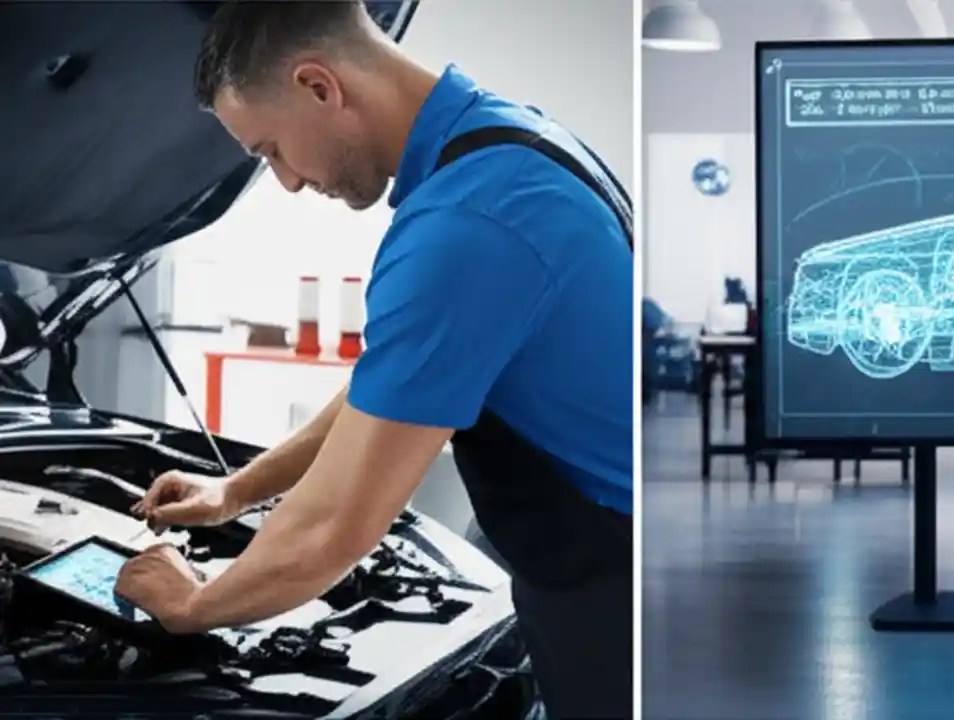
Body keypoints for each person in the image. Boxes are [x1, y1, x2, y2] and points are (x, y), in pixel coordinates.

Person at [112, 2, 633, 717]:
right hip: (593, 567)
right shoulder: (511, 143)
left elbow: (332, 530)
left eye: (269, 150)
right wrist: (235, 492)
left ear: (319, 86)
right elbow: (392, 385)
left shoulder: (469, 223)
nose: (288, 181)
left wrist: (192, 604)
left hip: (617, 601)